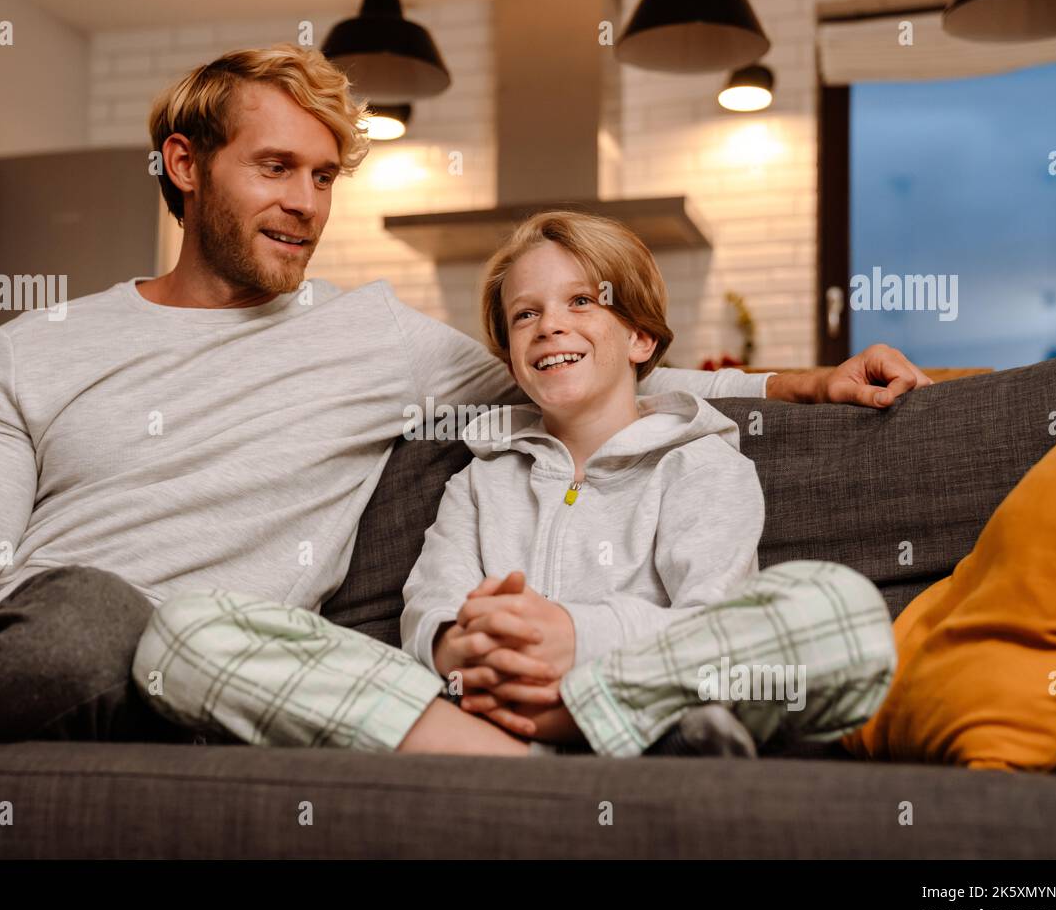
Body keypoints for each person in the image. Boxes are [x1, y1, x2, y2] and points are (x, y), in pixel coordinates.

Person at [0, 44, 928, 745]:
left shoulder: (374, 337)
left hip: (158, 651)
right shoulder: (34, 346)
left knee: (104, 617)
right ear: (186, 166)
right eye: (276, 168)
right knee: (2, 617)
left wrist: (802, 380)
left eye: (324, 177)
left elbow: (578, 378)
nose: (307, 203)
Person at [132, 210, 898, 758]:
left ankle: (579, 717)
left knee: (843, 616)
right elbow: (427, 610)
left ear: (639, 337)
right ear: (508, 358)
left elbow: (714, 620)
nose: (549, 325)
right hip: (474, 709)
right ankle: (515, 753)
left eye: (580, 302)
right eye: (524, 314)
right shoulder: (479, 478)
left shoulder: (701, 463)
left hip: (644, 681)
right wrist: (463, 645)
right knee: (186, 632)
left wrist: (574, 636)